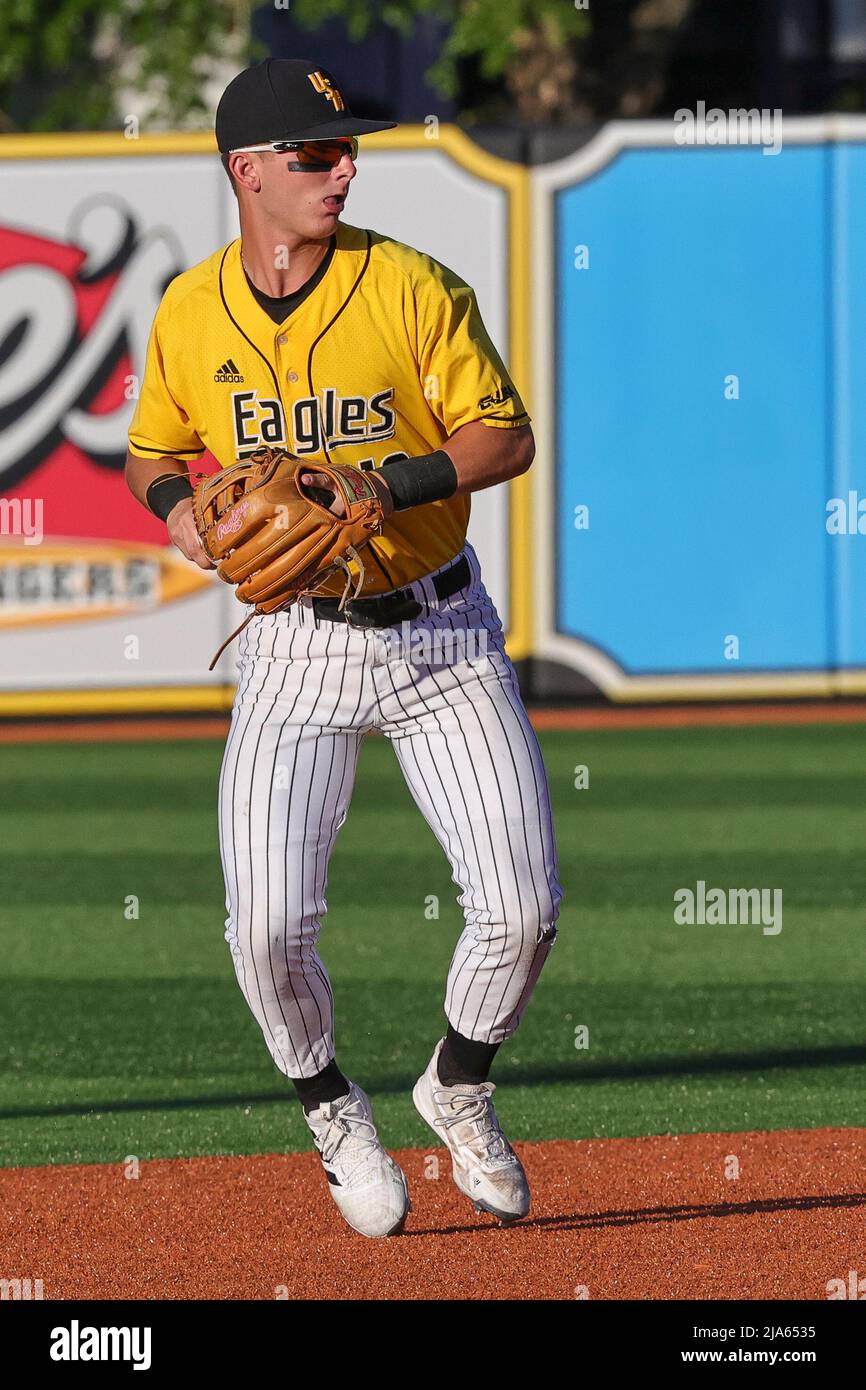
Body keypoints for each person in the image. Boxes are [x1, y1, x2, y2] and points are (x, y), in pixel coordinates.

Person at [125, 58, 562, 1239]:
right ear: (246, 172)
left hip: (438, 632)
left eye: (347, 149)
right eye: (315, 153)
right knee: (265, 925)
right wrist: (175, 508)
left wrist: (390, 476)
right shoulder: (187, 306)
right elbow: (155, 446)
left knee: (519, 908)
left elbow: (503, 436)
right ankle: (330, 1107)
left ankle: (458, 1084)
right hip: (294, 654)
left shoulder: (408, 284)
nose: (342, 167)